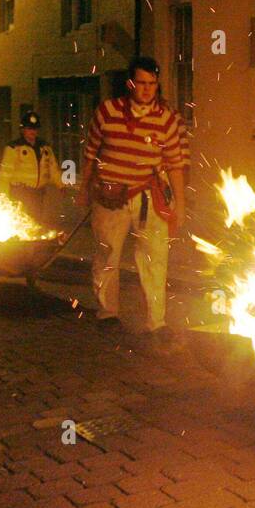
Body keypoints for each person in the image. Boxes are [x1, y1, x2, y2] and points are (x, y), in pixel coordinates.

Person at [78, 56, 188, 338]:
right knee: (107, 255)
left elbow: (175, 164)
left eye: (152, 83)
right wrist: (84, 188)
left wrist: (180, 204)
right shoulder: (107, 112)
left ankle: (157, 322)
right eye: (141, 83)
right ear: (130, 83)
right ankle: (107, 313)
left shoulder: (167, 119)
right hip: (109, 198)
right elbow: (90, 154)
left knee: (155, 258)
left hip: (147, 197)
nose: (147, 89)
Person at [0, 110, 62, 223]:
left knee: (35, 222)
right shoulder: (14, 148)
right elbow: (5, 174)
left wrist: (61, 185)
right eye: (29, 128)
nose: (33, 131)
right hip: (20, 193)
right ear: (23, 130)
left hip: (38, 193)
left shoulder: (45, 148)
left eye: (35, 128)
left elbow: (52, 168)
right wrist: (3, 196)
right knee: (20, 222)